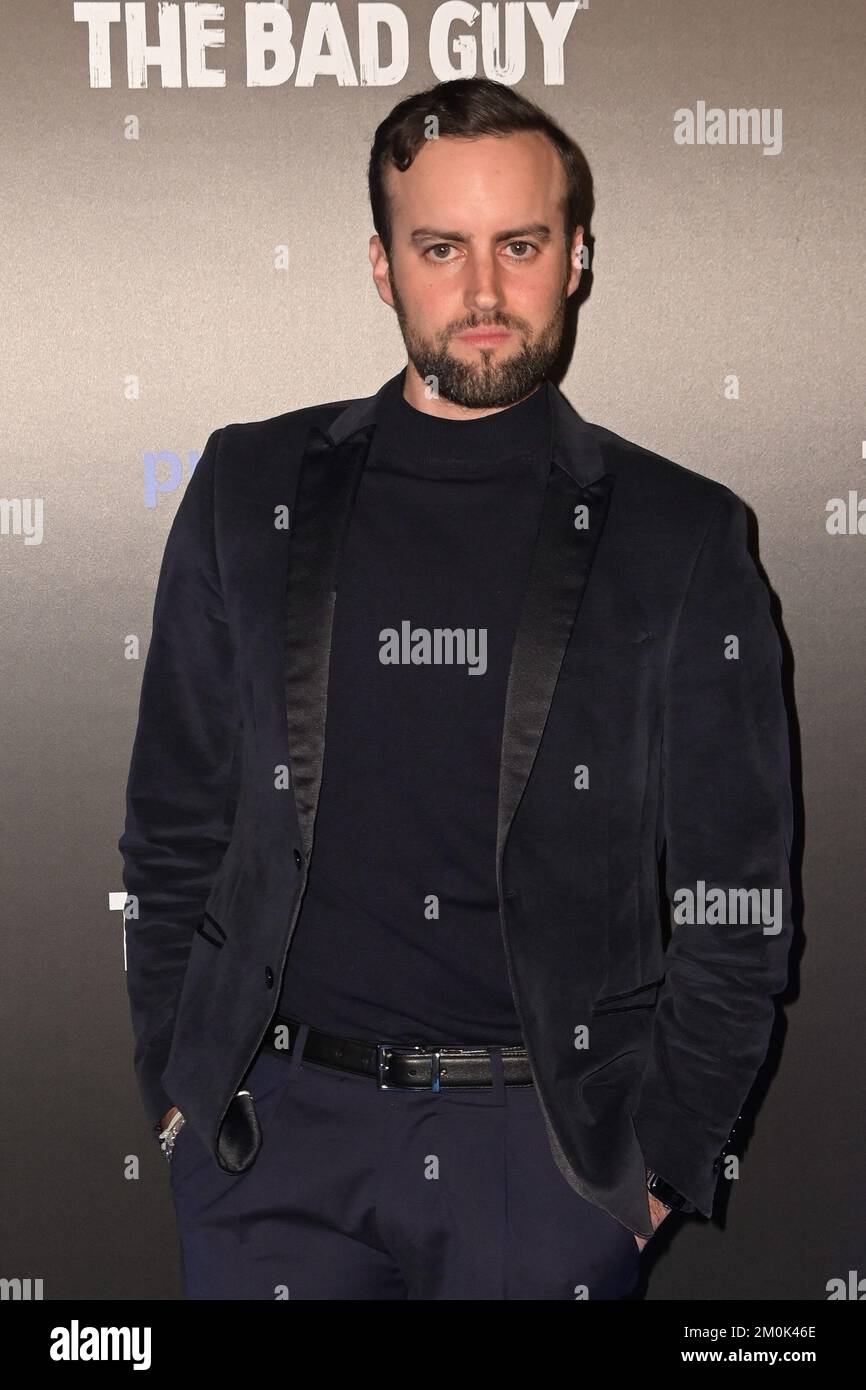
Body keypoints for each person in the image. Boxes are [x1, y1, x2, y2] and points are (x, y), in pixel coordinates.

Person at [119, 76, 794, 1301]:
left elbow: (734, 898)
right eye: (439, 247)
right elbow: (174, 823)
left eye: (518, 245)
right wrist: (180, 1088)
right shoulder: (246, 486)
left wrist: (651, 1170)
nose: (482, 294)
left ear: (576, 255)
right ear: (381, 264)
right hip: (269, 1146)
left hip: (540, 1161)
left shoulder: (682, 534)